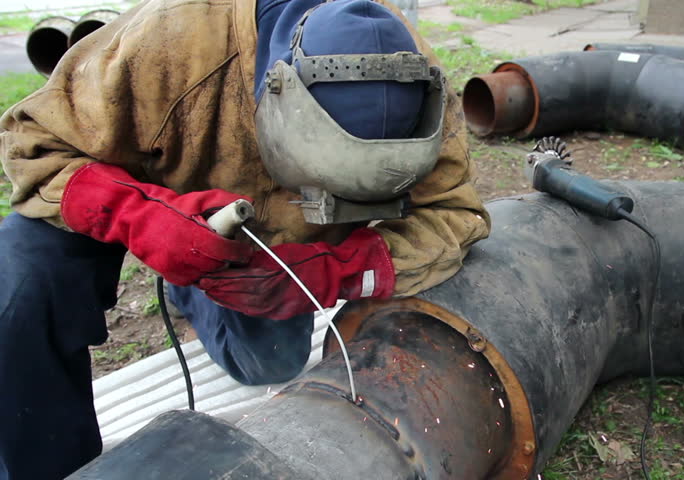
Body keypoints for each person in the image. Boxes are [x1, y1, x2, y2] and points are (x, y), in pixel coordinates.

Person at [0, 0, 490, 477]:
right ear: (274, 95)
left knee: (267, 363)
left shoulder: (412, 73)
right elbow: (32, 142)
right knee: (20, 287)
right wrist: (138, 214)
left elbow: (454, 213)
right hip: (136, 190)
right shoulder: (168, 40)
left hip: (264, 236)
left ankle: (194, 288)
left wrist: (333, 269)